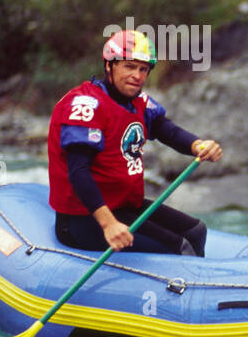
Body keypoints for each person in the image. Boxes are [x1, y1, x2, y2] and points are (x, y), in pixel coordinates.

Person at [47, 29, 223, 255]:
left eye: (143, 69)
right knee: (180, 248)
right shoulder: (85, 106)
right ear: (109, 66)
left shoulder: (138, 101)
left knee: (196, 231)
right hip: (84, 218)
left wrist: (197, 145)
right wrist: (108, 224)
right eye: (129, 66)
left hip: (123, 205)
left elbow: (165, 129)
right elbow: (78, 171)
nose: (137, 76)